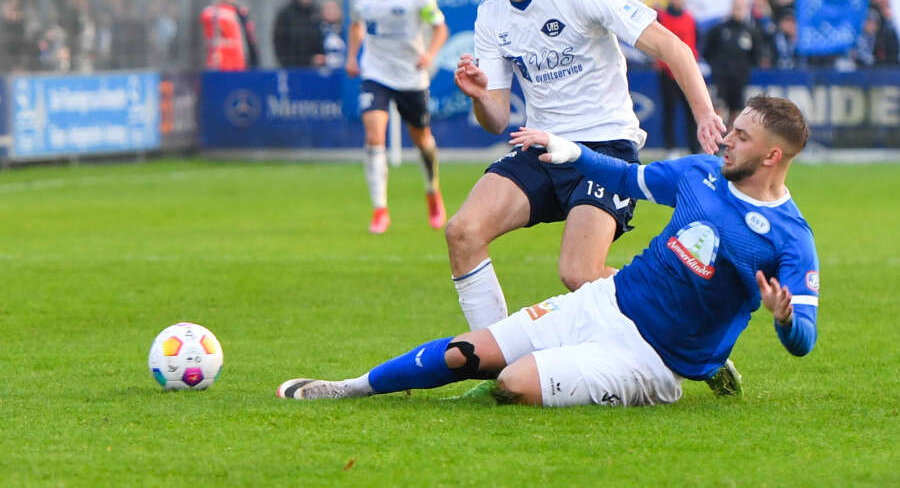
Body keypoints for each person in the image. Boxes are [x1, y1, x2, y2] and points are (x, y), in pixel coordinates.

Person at [277, 95, 818, 407]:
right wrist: (569, 151)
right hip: (603, 302)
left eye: (741, 137)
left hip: (648, 360)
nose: (726, 139)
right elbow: (628, 178)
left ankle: (707, 364)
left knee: (513, 383)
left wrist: (785, 319)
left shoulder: (791, 239)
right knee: (464, 357)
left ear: (772, 156)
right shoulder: (701, 173)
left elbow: (804, 341)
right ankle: (347, 389)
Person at [447, 0, 724, 337]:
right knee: (462, 232)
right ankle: (495, 357)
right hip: (541, 145)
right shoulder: (491, 14)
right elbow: (497, 120)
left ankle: (689, 328)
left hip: (604, 147)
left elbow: (672, 46)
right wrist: (480, 96)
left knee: (579, 274)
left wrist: (705, 115)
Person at [346, 0, 449, 234]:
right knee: (374, 136)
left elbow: (440, 28)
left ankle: (432, 191)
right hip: (375, 73)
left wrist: (429, 54)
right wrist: (353, 56)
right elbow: (356, 25)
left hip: (410, 76)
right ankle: (380, 209)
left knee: (422, 141)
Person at [655, 0, 701, 156]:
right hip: (667, 72)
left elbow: (695, 43)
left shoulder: (690, 18)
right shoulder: (662, 17)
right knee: (669, 111)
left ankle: (694, 148)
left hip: (687, 71)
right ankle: (671, 148)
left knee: (691, 111)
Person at [703, 0, 762, 128]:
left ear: (747, 9)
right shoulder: (719, 30)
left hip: (740, 78)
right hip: (721, 78)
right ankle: (716, 141)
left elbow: (756, 56)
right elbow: (707, 51)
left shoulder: (751, 32)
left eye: (742, 7)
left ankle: (731, 140)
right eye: (736, 6)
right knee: (719, 108)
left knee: (737, 110)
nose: (739, 10)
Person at [200, 0, 259, 71]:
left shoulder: (240, 13)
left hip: (239, 62)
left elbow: (249, 37)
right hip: (219, 64)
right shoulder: (212, 13)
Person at [273, 0, 325, 68]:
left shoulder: (319, 13)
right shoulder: (285, 14)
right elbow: (279, 42)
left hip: (316, 69)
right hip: (292, 68)